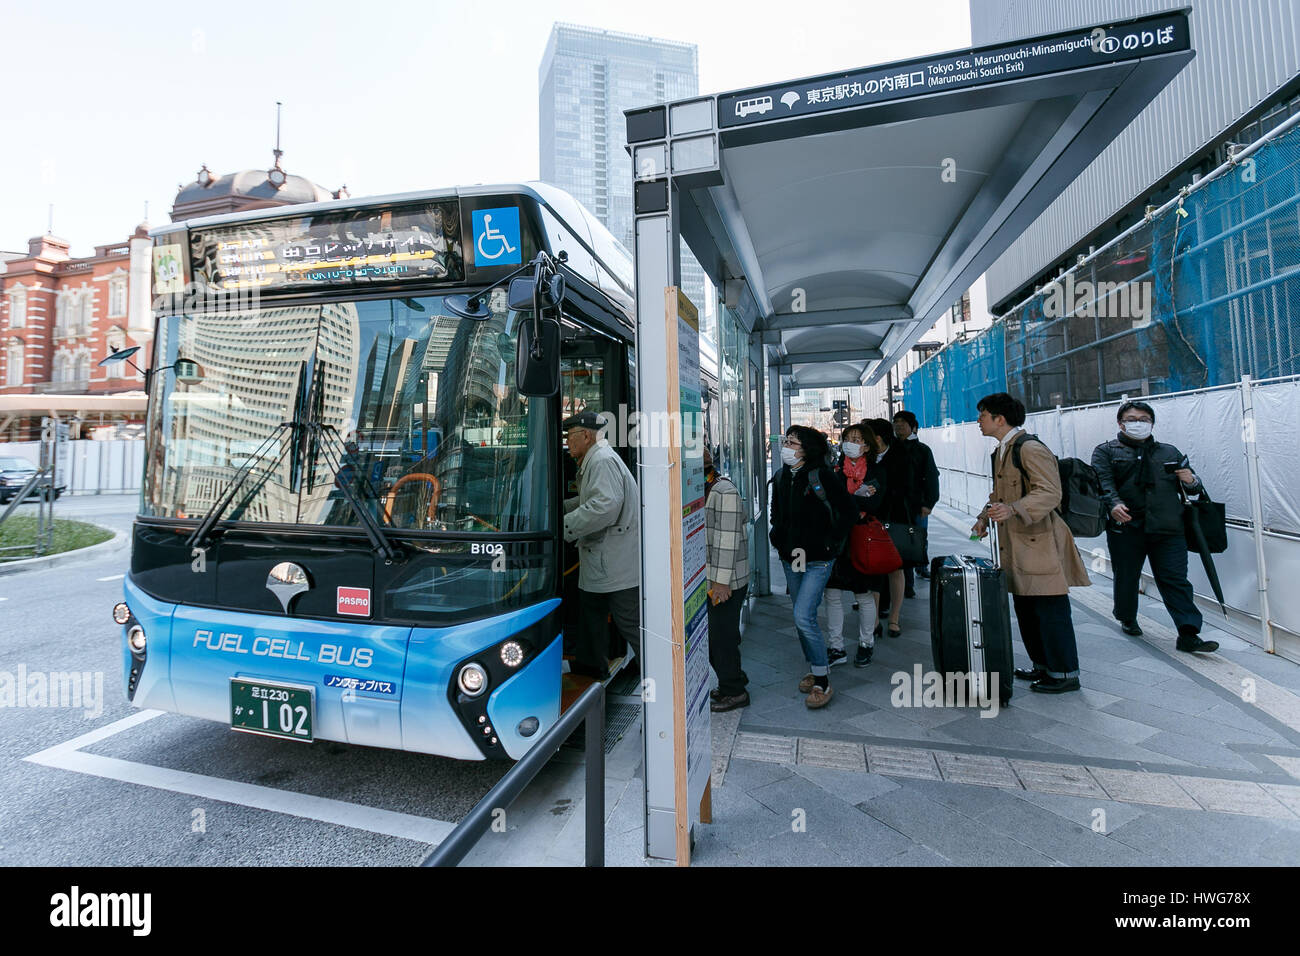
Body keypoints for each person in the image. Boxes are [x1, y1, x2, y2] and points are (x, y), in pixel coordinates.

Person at [971, 392, 1090, 694]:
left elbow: (1050, 492)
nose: (979, 421)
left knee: (1049, 607)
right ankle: (1043, 665)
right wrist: (985, 517)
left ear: (1000, 418)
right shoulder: (1002, 450)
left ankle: (1064, 672)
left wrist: (1013, 509)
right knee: (1026, 606)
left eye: (982, 415)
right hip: (1017, 543)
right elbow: (999, 493)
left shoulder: (1029, 448)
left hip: (1040, 542)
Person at [1091, 401, 1219, 654]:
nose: (1138, 423)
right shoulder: (1105, 451)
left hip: (1168, 527)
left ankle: (1188, 633)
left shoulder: (1169, 452)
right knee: (1127, 575)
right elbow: (1102, 483)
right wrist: (1113, 504)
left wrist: (1191, 480)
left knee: (1175, 579)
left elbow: (1193, 488)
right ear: (1120, 423)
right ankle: (1126, 616)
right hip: (1126, 526)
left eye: (1143, 419)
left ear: (1151, 423)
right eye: (1132, 419)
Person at [770, 425, 856, 708]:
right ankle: (815, 666)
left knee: (803, 616)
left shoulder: (823, 476)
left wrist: (832, 544)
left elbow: (847, 512)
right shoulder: (782, 476)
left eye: (793, 443)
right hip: (791, 557)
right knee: (800, 617)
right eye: (786, 441)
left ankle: (823, 681)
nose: (786, 447)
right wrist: (778, 537)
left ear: (807, 449)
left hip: (819, 558)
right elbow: (776, 514)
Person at [562, 410, 640, 680]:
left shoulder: (602, 461)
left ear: (585, 435)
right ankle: (591, 665)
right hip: (605, 562)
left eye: (570, 436)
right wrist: (558, 509)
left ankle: (659, 673)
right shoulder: (596, 458)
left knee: (629, 622)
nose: (567, 441)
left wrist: (565, 526)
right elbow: (591, 498)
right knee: (590, 614)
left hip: (615, 564)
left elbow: (604, 506)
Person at [824, 423, 889, 668]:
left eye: (857, 438)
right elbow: (832, 501)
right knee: (832, 594)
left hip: (864, 539)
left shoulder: (877, 471)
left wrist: (848, 501)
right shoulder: (835, 470)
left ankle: (866, 643)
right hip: (839, 539)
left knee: (864, 594)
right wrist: (857, 499)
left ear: (868, 445)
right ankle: (836, 646)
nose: (851, 442)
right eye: (848, 438)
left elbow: (875, 504)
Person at [704, 446, 751, 711]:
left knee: (720, 638)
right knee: (720, 636)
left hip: (727, 581)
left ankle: (735, 692)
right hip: (716, 579)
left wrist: (721, 583)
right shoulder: (706, 489)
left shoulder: (724, 490)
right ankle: (733, 678)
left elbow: (728, 539)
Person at [866, 418, 912, 635]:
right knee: (874, 568)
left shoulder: (902, 454)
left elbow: (909, 486)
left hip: (896, 518)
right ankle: (874, 619)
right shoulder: (866, 459)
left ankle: (894, 618)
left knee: (896, 568)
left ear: (877, 438)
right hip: (872, 519)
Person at [893, 410, 940, 581]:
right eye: (896, 422)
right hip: (896, 504)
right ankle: (908, 583)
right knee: (900, 541)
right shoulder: (892, 448)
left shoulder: (922, 450)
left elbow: (932, 478)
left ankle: (921, 567)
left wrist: (928, 503)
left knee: (918, 538)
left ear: (913, 427)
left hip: (917, 504)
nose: (898, 425)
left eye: (902, 422)